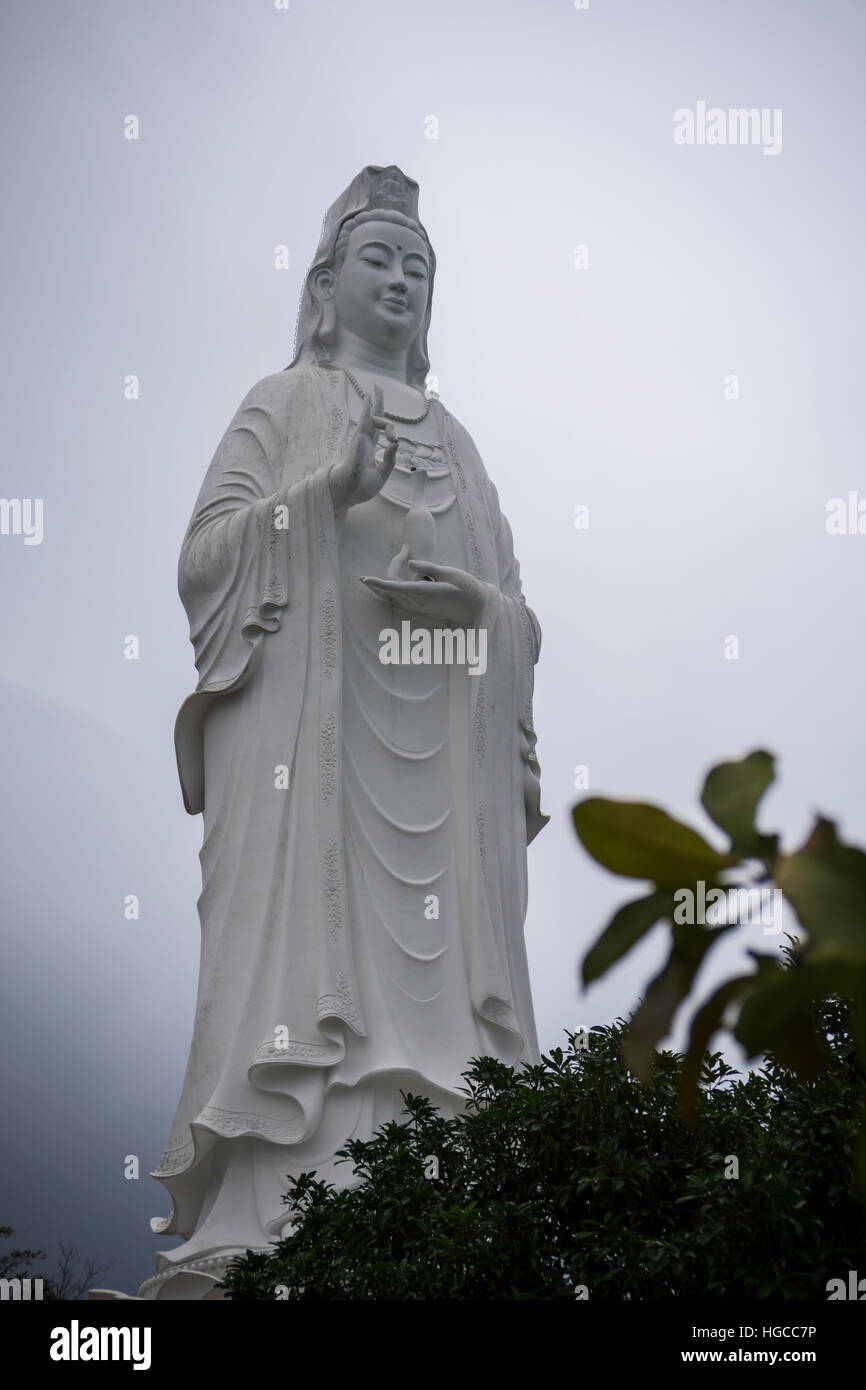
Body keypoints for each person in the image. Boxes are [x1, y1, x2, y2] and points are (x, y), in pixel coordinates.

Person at [141, 165, 549, 1300]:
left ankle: (445, 1207)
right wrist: (316, 495)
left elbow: (514, 608)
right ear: (325, 286)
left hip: (440, 765)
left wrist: (478, 617)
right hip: (309, 752)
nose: (401, 281)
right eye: (378, 260)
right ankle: (275, 1208)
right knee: (307, 982)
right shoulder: (281, 403)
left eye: (418, 268)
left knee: (438, 1011)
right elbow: (203, 564)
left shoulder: (461, 444)